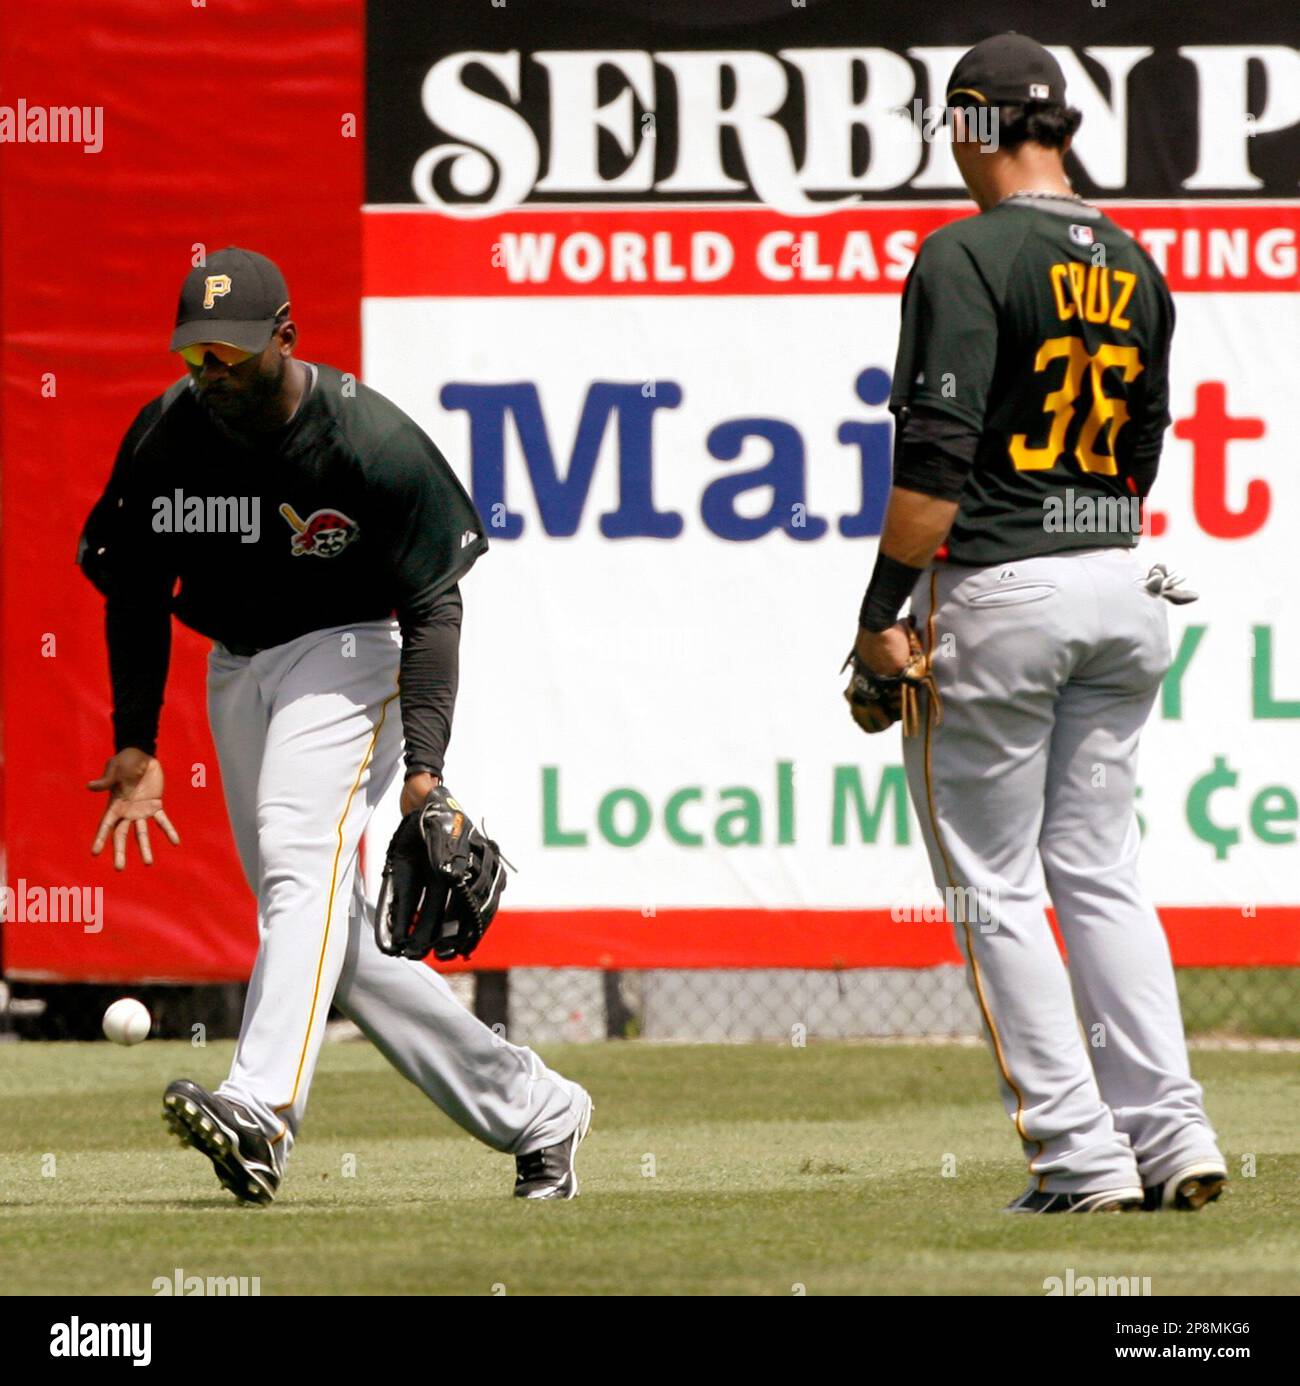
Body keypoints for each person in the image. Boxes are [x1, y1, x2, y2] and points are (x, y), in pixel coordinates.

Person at [79, 247, 592, 1204]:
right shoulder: (166, 436)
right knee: (326, 936)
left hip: (355, 650)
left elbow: (436, 606)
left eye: (231, 354)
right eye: (196, 356)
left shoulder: (367, 440)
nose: (212, 375)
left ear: (286, 337)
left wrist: (426, 773)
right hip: (238, 665)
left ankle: (261, 1110)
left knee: (295, 861)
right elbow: (136, 589)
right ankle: (538, 1109)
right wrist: (138, 739)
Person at [847, 35, 1225, 1213]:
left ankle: (1076, 1158)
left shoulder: (962, 254)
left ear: (975, 124)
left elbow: (937, 464)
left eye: (951, 127)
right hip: (1123, 579)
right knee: (1102, 873)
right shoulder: (1134, 259)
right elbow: (1149, 444)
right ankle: (1174, 1137)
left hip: (1004, 586)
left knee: (995, 887)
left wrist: (875, 617)